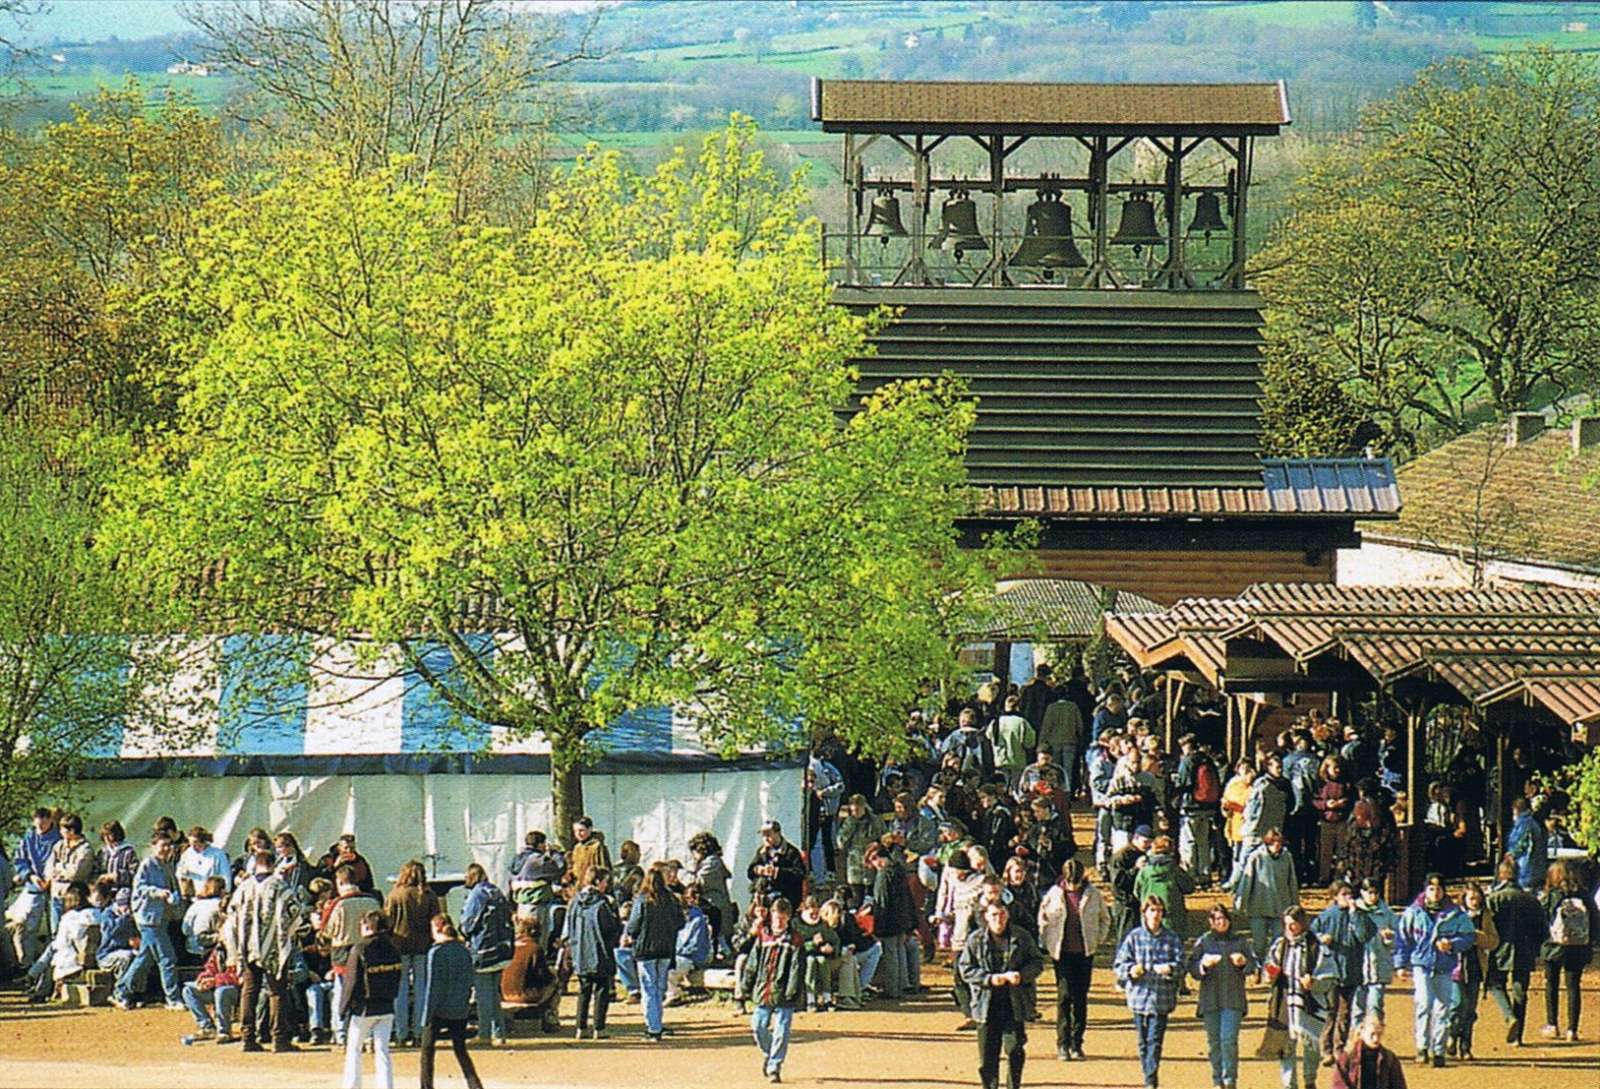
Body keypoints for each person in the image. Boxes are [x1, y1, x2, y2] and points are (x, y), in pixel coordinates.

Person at [1393, 872, 1476, 1066]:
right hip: (1421, 965)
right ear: (1425, 890)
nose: (1435, 893)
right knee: (1423, 1004)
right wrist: (1400, 964)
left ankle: (1438, 1050)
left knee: (1442, 1008)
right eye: (1431, 888)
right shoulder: (1414, 912)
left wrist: (1453, 944)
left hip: (1444, 967)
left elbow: (1469, 936)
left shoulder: (1455, 914)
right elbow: (1402, 939)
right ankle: (1422, 1047)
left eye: (1439, 889)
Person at [225, 847, 304, 1052]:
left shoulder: (244, 887)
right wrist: (287, 933)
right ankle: (279, 1038)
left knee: (249, 990)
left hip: (248, 946)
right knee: (277, 991)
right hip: (274, 947)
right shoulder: (280, 886)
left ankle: (248, 1037)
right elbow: (296, 913)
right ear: (273, 864)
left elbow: (231, 914)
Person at [960, 899, 1044, 1089]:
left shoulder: (1022, 937)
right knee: (988, 1057)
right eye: (994, 915)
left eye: (1002, 914)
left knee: (1015, 1049)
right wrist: (988, 979)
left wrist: (1022, 976)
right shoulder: (975, 939)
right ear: (986, 917)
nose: (999, 919)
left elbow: (1037, 962)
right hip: (986, 1005)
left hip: (1014, 1004)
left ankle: (1013, 1086)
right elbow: (965, 969)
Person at [1037, 858, 1108, 1061]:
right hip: (1062, 953)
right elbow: (1042, 918)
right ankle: (1062, 1042)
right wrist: (1046, 941)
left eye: (1076, 882)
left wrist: (1097, 939)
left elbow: (1105, 919)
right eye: (1070, 882)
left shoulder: (1093, 894)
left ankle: (1077, 1043)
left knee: (1080, 997)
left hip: (1084, 952)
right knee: (1064, 996)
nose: (1073, 886)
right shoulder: (1053, 894)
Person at [1114, 895, 1184, 1089]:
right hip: (1138, 997)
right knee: (1143, 1041)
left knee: (1155, 1039)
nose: (1156, 915)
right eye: (1152, 910)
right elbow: (1119, 964)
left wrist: (1170, 969)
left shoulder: (1171, 938)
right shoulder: (1134, 937)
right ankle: (1148, 1071)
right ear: (1144, 912)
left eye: (1159, 911)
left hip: (1161, 998)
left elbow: (1182, 965)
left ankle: (1150, 1079)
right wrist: (1130, 970)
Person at [111, 832, 185, 1011]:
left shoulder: (167, 866)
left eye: (169, 845)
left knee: (145, 958)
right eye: (162, 845)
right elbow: (141, 887)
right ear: (153, 847)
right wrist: (158, 892)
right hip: (149, 919)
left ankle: (120, 991)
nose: (166, 849)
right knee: (167, 958)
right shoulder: (147, 864)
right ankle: (172, 998)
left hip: (162, 918)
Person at [1190, 903, 1255, 1089]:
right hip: (1210, 999)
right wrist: (1203, 965)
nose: (1221, 922)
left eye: (1224, 918)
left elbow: (1253, 966)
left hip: (1233, 998)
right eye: (1216, 919)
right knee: (1214, 1042)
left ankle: (1230, 1079)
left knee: (1228, 1039)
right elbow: (1192, 967)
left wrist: (1243, 963)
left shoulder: (1240, 941)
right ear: (1210, 922)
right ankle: (1217, 1079)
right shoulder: (1204, 942)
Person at [742, 895, 805, 1084]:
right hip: (764, 990)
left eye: (783, 917)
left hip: (785, 991)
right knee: (758, 1027)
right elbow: (753, 963)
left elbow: (796, 968)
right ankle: (770, 1055)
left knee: (782, 1029)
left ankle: (774, 1066)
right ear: (771, 915)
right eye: (777, 916)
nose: (779, 920)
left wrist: (792, 991)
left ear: (788, 917)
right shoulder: (763, 936)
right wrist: (746, 985)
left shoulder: (795, 939)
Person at [1313, 881, 1376, 1063]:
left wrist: (1355, 915)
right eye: (1343, 895)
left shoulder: (1360, 915)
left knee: (1345, 1012)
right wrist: (1321, 938)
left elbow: (1364, 936)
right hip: (1330, 971)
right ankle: (1326, 1049)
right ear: (1334, 897)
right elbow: (1311, 934)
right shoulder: (1327, 916)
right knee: (1330, 1011)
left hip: (1351, 970)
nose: (1348, 898)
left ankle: (1339, 1048)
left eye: (1350, 895)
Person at [1485, 857, 1545, 1046]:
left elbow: (1487, 925)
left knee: (1495, 984)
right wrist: (1536, 948)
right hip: (1525, 949)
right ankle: (1518, 1037)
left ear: (1500, 875)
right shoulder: (1531, 899)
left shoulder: (1494, 899)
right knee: (1520, 991)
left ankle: (1509, 1015)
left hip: (1499, 948)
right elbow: (1542, 929)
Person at [1265, 905, 1327, 1089]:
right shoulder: (1279, 945)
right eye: (1287, 924)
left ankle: (1310, 1079)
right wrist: (1270, 974)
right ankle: (1289, 1084)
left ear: (1302, 923)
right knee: (1286, 1044)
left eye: (1294, 924)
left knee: (1311, 1044)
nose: (1290, 928)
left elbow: (1330, 973)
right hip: (1284, 1000)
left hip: (1310, 1002)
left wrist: (1315, 981)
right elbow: (1269, 965)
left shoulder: (1316, 946)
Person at [319, 863, 381, 1045]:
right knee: (366, 990)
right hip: (368, 948)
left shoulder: (337, 905)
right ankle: (368, 1034)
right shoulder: (372, 901)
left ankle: (340, 1032)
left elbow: (327, 930)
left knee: (341, 991)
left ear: (339, 882)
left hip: (343, 951)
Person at [419, 915, 483, 1089]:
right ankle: (475, 1085)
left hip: (438, 1009)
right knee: (461, 1050)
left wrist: (426, 1016)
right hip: (459, 1007)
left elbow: (433, 986)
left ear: (437, 929)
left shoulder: (436, 952)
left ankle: (426, 1086)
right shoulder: (464, 950)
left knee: (427, 1051)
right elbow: (469, 980)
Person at [340, 909, 401, 1089]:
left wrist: (343, 1008)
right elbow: (398, 976)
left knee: (354, 1050)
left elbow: (351, 982)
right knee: (383, 1050)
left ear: (368, 926)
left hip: (364, 1007)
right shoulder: (393, 947)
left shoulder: (360, 948)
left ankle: (352, 1086)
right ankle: (386, 1086)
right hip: (387, 1005)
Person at [624, 864, 685, 1042]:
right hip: (665, 948)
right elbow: (680, 922)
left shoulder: (642, 901)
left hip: (645, 949)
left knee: (649, 988)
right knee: (659, 988)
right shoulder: (671, 900)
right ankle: (657, 1021)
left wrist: (632, 935)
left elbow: (633, 925)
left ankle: (653, 1027)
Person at [384, 859, 440, 1047]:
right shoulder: (429, 895)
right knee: (422, 989)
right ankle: (419, 1032)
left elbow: (387, 922)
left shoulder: (395, 895)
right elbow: (436, 921)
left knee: (400, 991)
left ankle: (401, 1033)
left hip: (399, 945)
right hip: (423, 946)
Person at [1536, 859, 1593, 1043]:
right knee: (1573, 986)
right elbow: (1595, 919)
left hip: (1554, 946)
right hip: (1578, 946)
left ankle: (1552, 1025)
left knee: (1551, 984)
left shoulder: (1552, 895)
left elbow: (1540, 920)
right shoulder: (1584, 895)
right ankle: (1572, 1030)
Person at [459, 862, 514, 1045]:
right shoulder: (496, 891)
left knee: (483, 996)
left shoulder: (477, 895)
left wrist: (463, 932)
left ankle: (483, 1035)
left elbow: (468, 924)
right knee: (494, 995)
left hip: (483, 950)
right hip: (501, 950)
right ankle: (499, 1033)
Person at [565, 866, 621, 1039]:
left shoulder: (575, 902)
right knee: (601, 990)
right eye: (605, 881)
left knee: (584, 991)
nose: (606, 885)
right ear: (597, 882)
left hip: (581, 951)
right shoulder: (602, 904)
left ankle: (580, 1027)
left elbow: (570, 927)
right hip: (599, 951)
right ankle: (599, 1027)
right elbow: (610, 928)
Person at [1234, 828, 1300, 970]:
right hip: (1258, 907)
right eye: (1273, 842)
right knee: (1259, 943)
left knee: (1279, 942)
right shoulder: (1256, 857)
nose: (1276, 845)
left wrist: (1295, 906)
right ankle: (1257, 966)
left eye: (1279, 842)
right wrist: (1240, 904)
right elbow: (1247, 882)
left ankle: (1272, 968)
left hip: (1281, 908)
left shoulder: (1287, 857)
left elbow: (1292, 882)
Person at [1446, 880, 1497, 1061]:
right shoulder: (1455, 915)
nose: (1474, 902)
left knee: (1470, 1010)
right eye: (1471, 898)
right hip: (1456, 967)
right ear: (1464, 899)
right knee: (1458, 1004)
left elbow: (1493, 941)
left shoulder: (1485, 916)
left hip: (1476, 967)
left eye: (1477, 898)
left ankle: (1465, 1046)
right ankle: (1451, 1034)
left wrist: (1477, 936)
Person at [6, 808, 60, 969]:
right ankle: (26, 966)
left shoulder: (59, 837)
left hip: (54, 888)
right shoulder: (29, 837)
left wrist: (50, 879)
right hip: (34, 886)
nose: (41, 826)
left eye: (44, 822)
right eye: (38, 822)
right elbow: (20, 860)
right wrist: (30, 875)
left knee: (56, 930)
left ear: (51, 820)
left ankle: (51, 970)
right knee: (26, 928)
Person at [865, 841, 919, 999]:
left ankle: (892, 990)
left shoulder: (883, 875)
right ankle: (904, 985)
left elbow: (882, 902)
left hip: (889, 921)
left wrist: (878, 928)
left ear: (876, 858)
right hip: (902, 919)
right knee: (900, 951)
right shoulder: (899, 870)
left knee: (890, 955)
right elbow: (908, 898)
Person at [1174, 734, 1222, 886]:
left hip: (1190, 808)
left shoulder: (1188, 761)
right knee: (1203, 843)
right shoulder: (1208, 760)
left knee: (1189, 843)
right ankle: (1205, 876)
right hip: (1207, 808)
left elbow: (1182, 783)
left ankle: (1190, 877)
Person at [1351, 878, 1398, 1024]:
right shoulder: (1353, 912)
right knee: (1357, 1009)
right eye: (1369, 892)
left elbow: (1399, 941)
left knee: (1375, 1006)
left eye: (1376, 893)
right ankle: (1357, 1043)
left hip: (1379, 967)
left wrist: (1389, 938)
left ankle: (1374, 1041)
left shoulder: (1388, 914)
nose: (1373, 896)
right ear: (1362, 892)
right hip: (1358, 968)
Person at [1134, 834, 1196, 939]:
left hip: (1149, 918)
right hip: (1173, 919)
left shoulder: (1144, 872)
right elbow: (1189, 887)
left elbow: (1137, 892)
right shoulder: (1175, 870)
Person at [182, 942, 242, 1044]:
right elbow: (210, 968)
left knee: (221, 991)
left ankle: (224, 1032)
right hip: (217, 988)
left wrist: (215, 980)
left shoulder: (242, 949)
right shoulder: (219, 950)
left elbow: (241, 977)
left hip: (239, 991)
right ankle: (207, 1027)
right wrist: (203, 980)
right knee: (188, 991)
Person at [686, 832, 735, 958]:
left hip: (715, 904)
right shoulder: (710, 862)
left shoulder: (712, 863)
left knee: (720, 935)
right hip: (713, 903)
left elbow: (700, 882)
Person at [1330, 1012, 1409, 1089]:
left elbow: (1399, 1085)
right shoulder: (1348, 1056)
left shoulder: (1389, 1058)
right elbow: (1338, 1084)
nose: (1376, 1039)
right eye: (1372, 1034)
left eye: (1379, 1034)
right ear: (1362, 1033)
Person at [45, 814, 96, 932]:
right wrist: (61, 870)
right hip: (56, 894)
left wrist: (59, 868)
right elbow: (49, 867)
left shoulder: (85, 849)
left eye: (62, 829)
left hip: (73, 896)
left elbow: (77, 873)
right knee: (55, 930)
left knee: (72, 930)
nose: (60, 832)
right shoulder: (59, 845)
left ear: (72, 830)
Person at [665, 882, 713, 1006]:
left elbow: (695, 946)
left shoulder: (698, 921)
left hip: (693, 957)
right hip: (678, 954)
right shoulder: (673, 919)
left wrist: (676, 953)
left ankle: (674, 995)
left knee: (669, 968)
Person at [792, 893, 841, 1011]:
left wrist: (832, 948)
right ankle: (810, 998)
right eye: (811, 913)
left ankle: (827, 997)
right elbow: (795, 946)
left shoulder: (823, 925)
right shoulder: (796, 924)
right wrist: (813, 944)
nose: (814, 916)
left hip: (822, 956)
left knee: (822, 961)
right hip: (802, 958)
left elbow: (835, 940)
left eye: (816, 912)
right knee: (811, 962)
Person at [835, 794, 887, 902]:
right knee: (856, 898)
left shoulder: (876, 821)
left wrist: (878, 845)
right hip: (855, 865)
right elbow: (840, 842)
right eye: (853, 810)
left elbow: (885, 838)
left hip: (872, 864)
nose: (855, 813)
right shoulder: (849, 822)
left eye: (857, 810)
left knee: (872, 898)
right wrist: (851, 825)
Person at [746, 820, 806, 908]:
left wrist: (777, 872)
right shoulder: (762, 852)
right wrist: (758, 870)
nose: (765, 838)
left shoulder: (791, 852)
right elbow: (750, 872)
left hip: (784, 896)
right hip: (764, 896)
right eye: (763, 835)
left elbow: (800, 873)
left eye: (768, 835)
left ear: (777, 833)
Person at [1037, 690, 1085, 797]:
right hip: (1070, 741)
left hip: (1054, 743)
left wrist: (1042, 742)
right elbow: (1079, 725)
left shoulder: (1051, 708)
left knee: (1055, 769)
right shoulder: (1073, 707)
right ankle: (1067, 793)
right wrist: (1080, 738)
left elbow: (1046, 726)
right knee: (1068, 769)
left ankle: (1056, 792)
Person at [1107, 825, 1151, 941]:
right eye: (1145, 842)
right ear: (1135, 838)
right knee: (1126, 941)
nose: (1148, 845)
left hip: (1140, 904)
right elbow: (1118, 883)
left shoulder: (1145, 855)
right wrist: (1136, 869)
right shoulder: (1121, 857)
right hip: (1126, 906)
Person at [990, 695, 1036, 793]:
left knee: (1000, 787)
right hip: (1017, 760)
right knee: (1016, 789)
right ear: (1018, 706)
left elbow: (988, 736)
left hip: (999, 760)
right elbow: (1029, 743)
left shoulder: (996, 721)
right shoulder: (1022, 722)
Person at [176, 825, 233, 898]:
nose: (193, 846)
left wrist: (225, 894)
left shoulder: (218, 854)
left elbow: (226, 877)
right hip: (195, 896)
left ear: (204, 841)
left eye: (196, 842)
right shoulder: (187, 854)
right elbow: (179, 873)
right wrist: (183, 872)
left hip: (214, 896)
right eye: (191, 843)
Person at [1505, 797, 1548, 892]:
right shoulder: (1530, 822)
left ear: (1516, 809)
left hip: (1526, 864)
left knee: (1525, 889)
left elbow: (1521, 843)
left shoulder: (1524, 823)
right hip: (1533, 864)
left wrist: (1512, 853)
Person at [182, 875, 228, 958]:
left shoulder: (195, 905)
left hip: (192, 949)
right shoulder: (222, 905)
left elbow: (185, 930)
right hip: (214, 949)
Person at [565, 816, 612, 889]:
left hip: (592, 888)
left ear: (590, 829)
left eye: (581, 830)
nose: (578, 834)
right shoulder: (577, 848)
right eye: (575, 831)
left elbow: (603, 869)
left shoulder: (597, 847)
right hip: (578, 888)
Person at [97, 820, 138, 891]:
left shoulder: (128, 852)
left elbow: (134, 874)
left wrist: (116, 876)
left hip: (123, 890)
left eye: (109, 834)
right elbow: (95, 870)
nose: (106, 838)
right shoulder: (103, 852)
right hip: (104, 890)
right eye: (104, 835)